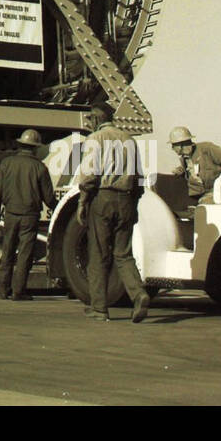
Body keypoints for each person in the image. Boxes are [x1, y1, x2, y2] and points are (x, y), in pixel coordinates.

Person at [78, 110, 150, 323]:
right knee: (123, 254)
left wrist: (82, 201)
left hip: (103, 197)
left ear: (98, 119)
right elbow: (139, 178)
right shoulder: (129, 140)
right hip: (127, 199)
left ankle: (99, 309)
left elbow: (89, 173)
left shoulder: (95, 139)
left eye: (91, 119)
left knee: (99, 253)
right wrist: (134, 203)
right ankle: (139, 294)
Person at [0, 129, 56, 301]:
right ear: (35, 148)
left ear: (20, 144)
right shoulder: (40, 167)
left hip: (10, 214)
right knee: (25, 254)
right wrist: (58, 209)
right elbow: (49, 198)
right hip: (30, 216)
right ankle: (18, 292)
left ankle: (3, 291)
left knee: (8, 251)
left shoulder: (6, 163)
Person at [167, 125, 221, 205]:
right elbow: (193, 172)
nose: (173, 149)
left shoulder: (207, 148)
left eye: (173, 146)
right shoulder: (184, 159)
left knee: (204, 206)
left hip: (217, 191)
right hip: (199, 195)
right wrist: (181, 171)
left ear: (180, 146)